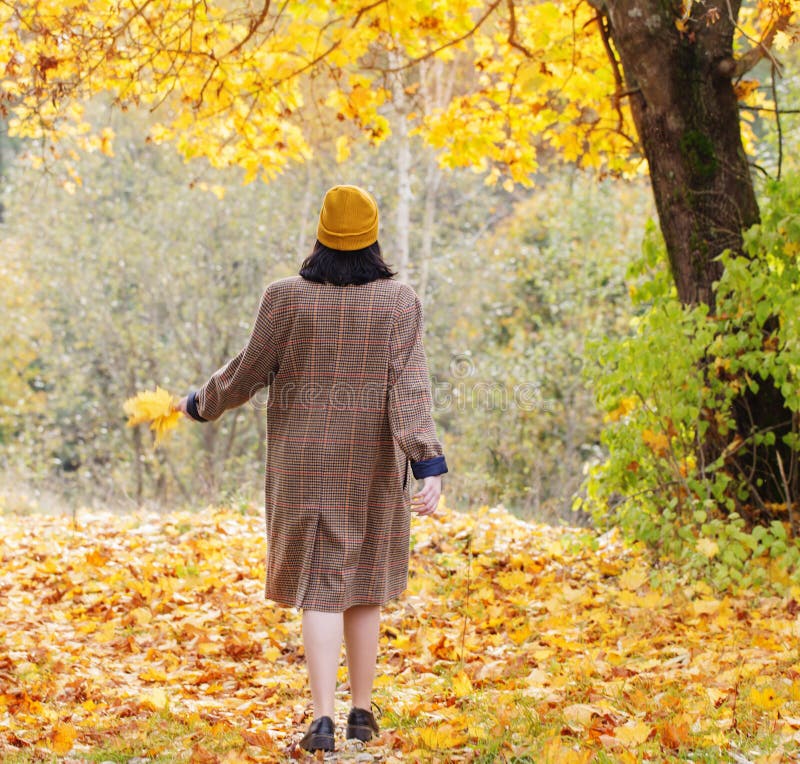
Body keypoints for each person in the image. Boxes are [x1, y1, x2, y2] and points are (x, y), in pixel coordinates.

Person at [175, 184, 448, 753]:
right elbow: (410, 388)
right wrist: (428, 462)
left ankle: (321, 720)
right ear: (372, 236)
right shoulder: (399, 302)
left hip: (304, 466)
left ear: (321, 234)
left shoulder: (286, 300)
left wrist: (202, 403)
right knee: (366, 587)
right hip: (373, 462)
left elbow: (246, 374)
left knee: (320, 589)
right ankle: (362, 715)